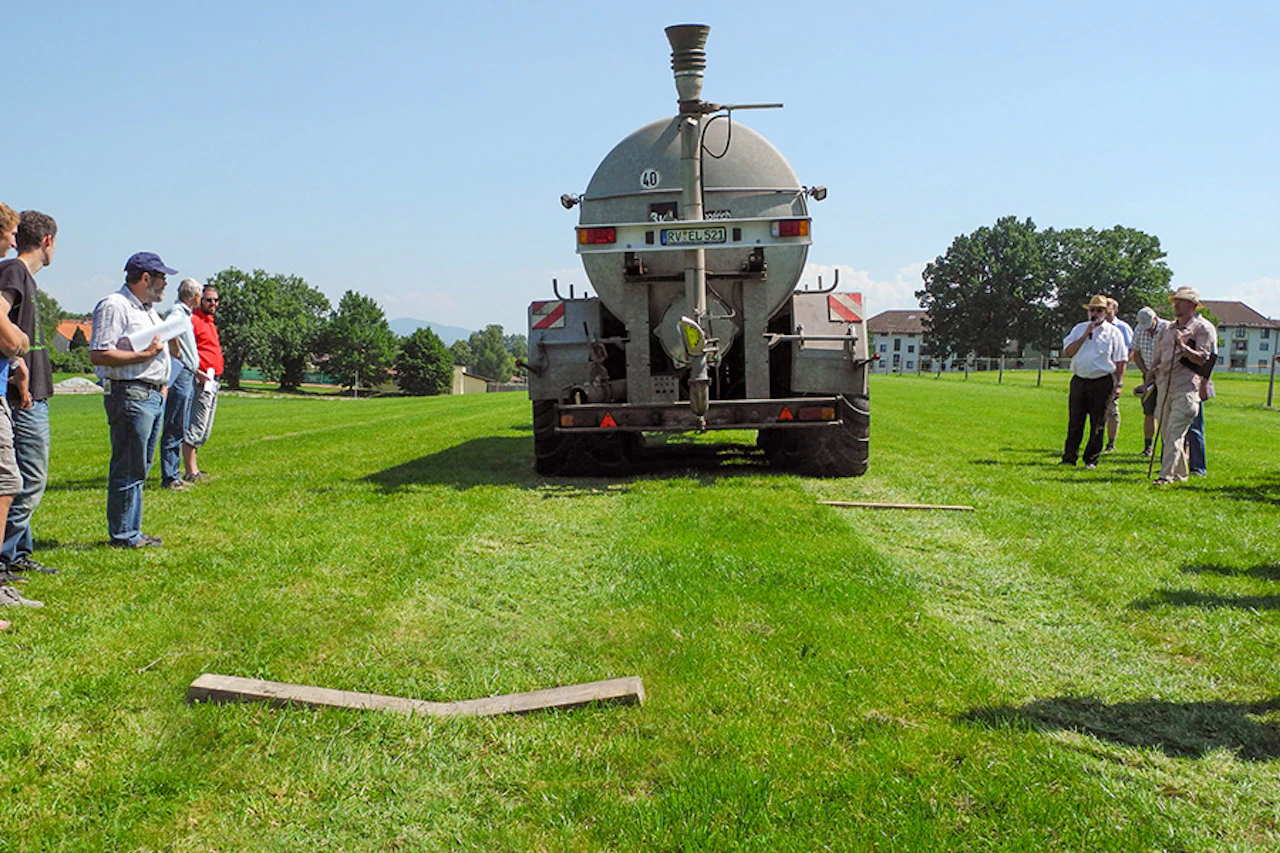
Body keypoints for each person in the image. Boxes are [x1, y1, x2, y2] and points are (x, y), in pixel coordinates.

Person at [89, 253, 176, 547]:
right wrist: (144, 356)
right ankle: (123, 534)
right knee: (128, 464)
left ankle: (131, 530)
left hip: (151, 394)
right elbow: (98, 354)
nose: (165, 283)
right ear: (145, 278)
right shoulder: (115, 306)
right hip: (129, 393)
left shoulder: (149, 311)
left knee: (140, 464)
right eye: (162, 277)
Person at [2, 212, 60, 579]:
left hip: (32, 392)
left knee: (22, 478)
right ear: (48, 241)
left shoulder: (24, 278)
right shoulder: (13, 272)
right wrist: (18, 366)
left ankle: (20, 551)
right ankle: (4, 557)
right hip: (23, 397)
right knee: (28, 480)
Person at [0, 210, 34, 608]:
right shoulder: (9, 273)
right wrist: (21, 341)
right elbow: (9, 338)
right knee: (7, 484)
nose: (13, 242)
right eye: (10, 234)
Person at [1150, 286, 1214, 485]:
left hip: (1187, 388)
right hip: (1164, 386)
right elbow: (1157, 358)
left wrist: (1184, 347)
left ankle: (1165, 476)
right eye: (1175, 300)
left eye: (1182, 301)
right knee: (1166, 432)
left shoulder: (1203, 328)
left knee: (1176, 432)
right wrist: (1148, 382)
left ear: (1193, 305)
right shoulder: (1166, 329)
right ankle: (1181, 474)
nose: (1176, 304)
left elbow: (1205, 359)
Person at [1061, 294, 1128, 469]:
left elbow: (1121, 361)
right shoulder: (1079, 329)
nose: (1095, 313)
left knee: (1098, 423)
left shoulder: (1114, 333)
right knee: (1075, 421)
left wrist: (1119, 384)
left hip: (1102, 382)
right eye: (1092, 310)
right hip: (1079, 380)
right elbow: (1068, 352)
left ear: (1106, 312)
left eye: (1099, 310)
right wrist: (1085, 335)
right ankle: (1069, 458)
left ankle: (1091, 459)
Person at [158, 279, 200, 490]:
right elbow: (167, 328)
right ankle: (170, 476)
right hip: (181, 373)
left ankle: (173, 474)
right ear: (195, 297)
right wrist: (175, 351)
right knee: (175, 424)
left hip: (188, 372)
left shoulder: (184, 313)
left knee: (179, 424)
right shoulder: (178, 312)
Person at [183, 284, 223, 483]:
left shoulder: (210, 322)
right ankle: (191, 471)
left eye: (216, 300)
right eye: (209, 300)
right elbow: (184, 351)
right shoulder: (194, 321)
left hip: (213, 379)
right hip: (201, 380)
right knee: (196, 425)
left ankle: (194, 469)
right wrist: (197, 373)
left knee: (205, 427)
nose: (213, 303)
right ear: (200, 300)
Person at [1130, 306, 1169, 457]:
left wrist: (1157, 372)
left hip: (1165, 375)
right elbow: (1136, 353)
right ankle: (1148, 447)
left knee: (1166, 413)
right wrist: (1146, 373)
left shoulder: (1167, 328)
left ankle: (1167, 448)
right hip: (1148, 376)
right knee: (1148, 412)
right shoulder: (1139, 329)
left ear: (1155, 318)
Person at [1184, 322, 1217, 476]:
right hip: (1179, 383)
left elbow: (1211, 359)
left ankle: (1198, 467)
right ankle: (1179, 463)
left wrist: (1204, 383)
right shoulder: (1176, 327)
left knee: (1195, 427)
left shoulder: (1205, 328)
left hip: (1196, 384)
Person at [1102, 297, 1134, 454]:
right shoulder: (1096, 326)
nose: (1105, 311)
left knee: (1112, 409)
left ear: (1115, 310)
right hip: (1099, 372)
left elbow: (1129, 351)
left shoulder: (1122, 328)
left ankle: (1110, 443)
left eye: (1108, 308)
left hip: (1114, 372)